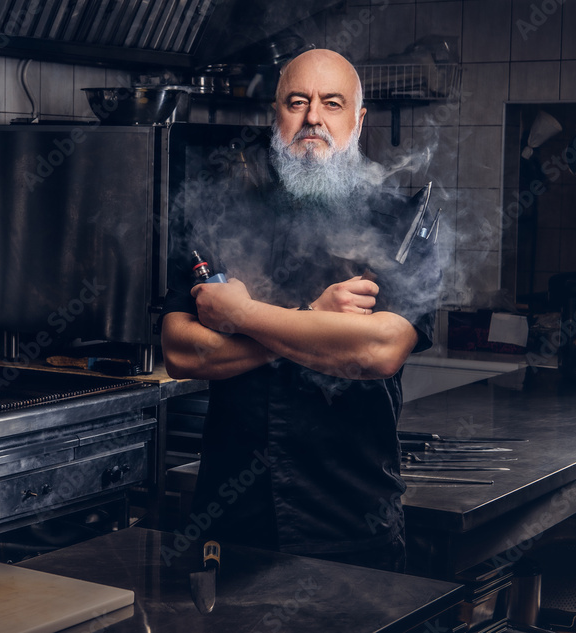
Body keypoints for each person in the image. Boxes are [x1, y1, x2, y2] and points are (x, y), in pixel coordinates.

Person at [159, 49, 442, 573]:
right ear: (276, 116)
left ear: (358, 120)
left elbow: (379, 350)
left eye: (331, 103)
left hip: (351, 522)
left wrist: (241, 315)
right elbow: (182, 352)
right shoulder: (221, 212)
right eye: (298, 101)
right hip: (230, 520)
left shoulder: (400, 221)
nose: (313, 117)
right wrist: (316, 317)